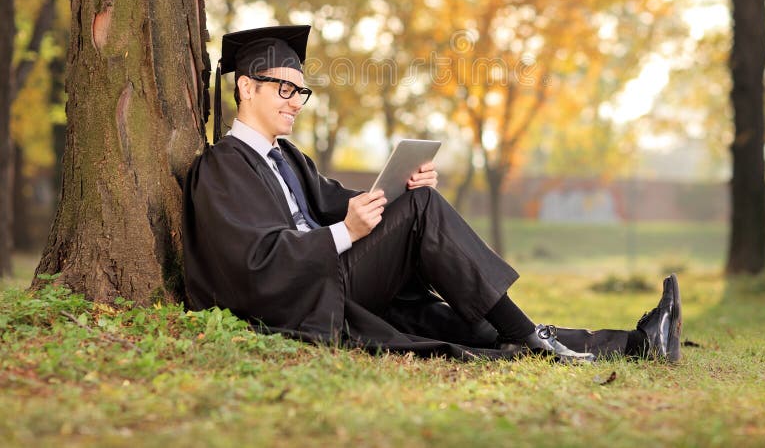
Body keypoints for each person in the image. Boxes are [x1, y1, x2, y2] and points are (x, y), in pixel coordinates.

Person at [182, 25, 683, 363]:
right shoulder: (224, 165)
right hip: (302, 296)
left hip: (336, 281)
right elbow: (253, 261)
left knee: (470, 324)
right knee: (424, 215)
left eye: (301, 91)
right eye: (283, 90)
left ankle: (639, 343)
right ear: (246, 88)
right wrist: (344, 233)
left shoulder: (288, 157)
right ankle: (525, 333)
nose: (296, 102)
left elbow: (340, 198)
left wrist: (400, 189)